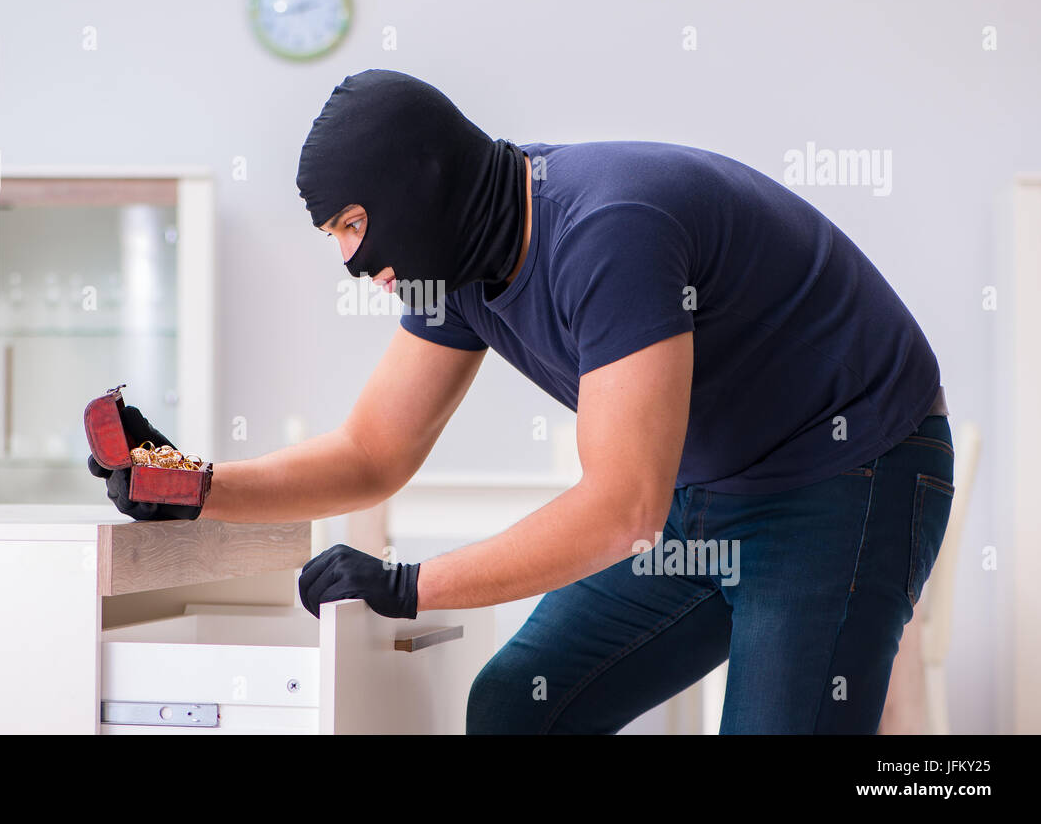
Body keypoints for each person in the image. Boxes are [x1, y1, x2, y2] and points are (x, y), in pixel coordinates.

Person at [91, 69, 955, 734]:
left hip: (851, 474)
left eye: (353, 225)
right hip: (715, 490)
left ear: (418, 184)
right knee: (518, 706)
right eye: (332, 238)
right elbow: (371, 454)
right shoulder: (458, 264)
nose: (351, 260)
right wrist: (196, 484)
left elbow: (622, 508)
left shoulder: (608, 231)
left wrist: (407, 583)